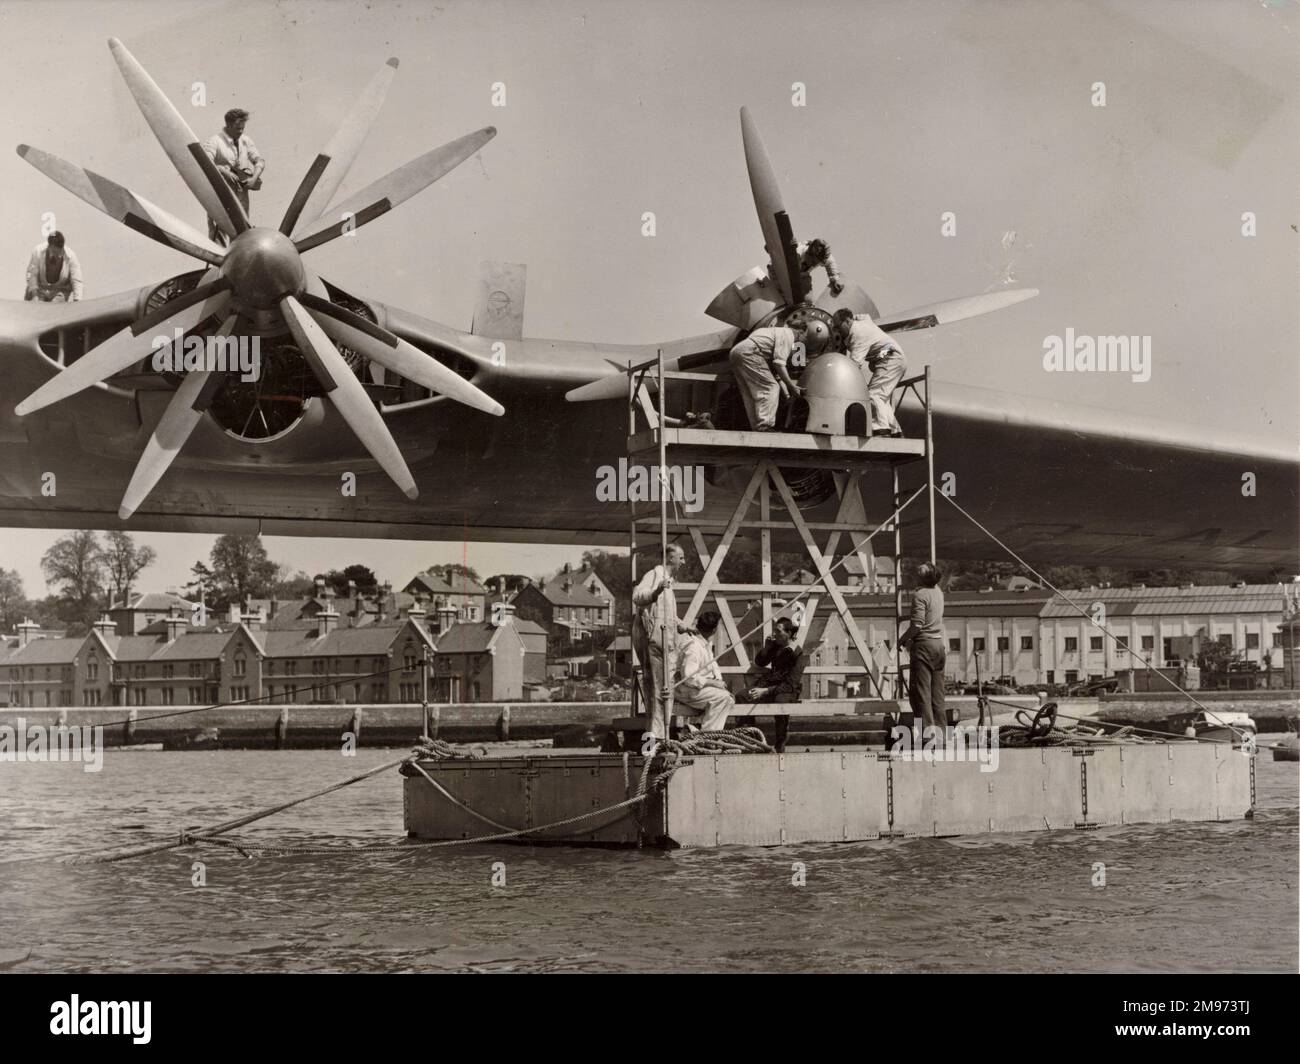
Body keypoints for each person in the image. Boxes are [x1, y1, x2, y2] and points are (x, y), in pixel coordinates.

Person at [631, 544, 693, 739]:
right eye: (680, 558)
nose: (683, 562)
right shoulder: (655, 575)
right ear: (669, 558)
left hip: (666, 642)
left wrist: (683, 626)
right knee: (657, 689)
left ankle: (662, 734)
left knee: (665, 689)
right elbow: (638, 596)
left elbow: (668, 615)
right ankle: (656, 737)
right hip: (655, 641)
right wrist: (656, 591)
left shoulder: (669, 583)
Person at [833, 308, 907, 436]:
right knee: (881, 398)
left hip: (891, 359)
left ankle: (881, 429)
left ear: (847, 321)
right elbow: (864, 316)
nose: (837, 330)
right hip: (892, 356)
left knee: (874, 394)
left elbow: (854, 365)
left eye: (838, 326)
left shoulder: (858, 333)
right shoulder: (861, 322)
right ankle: (895, 431)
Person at [741, 616, 806, 752]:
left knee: (780, 701)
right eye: (774, 631)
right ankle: (750, 741)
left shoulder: (798, 654)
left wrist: (765, 691)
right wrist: (766, 648)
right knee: (742, 696)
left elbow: (791, 684)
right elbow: (760, 662)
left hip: (787, 690)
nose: (774, 634)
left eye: (778, 631)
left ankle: (780, 743)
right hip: (770, 686)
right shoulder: (776, 646)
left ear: (788, 634)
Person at [899, 563, 947, 744]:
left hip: (924, 646)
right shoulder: (938, 593)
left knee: (922, 693)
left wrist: (902, 639)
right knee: (937, 694)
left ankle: (928, 736)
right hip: (938, 645)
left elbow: (917, 625)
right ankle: (942, 735)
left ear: (921, 579)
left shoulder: (920, 595)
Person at [727, 323, 805, 431]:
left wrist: (787, 395)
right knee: (770, 387)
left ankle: (757, 427)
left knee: (750, 393)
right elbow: (779, 364)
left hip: (737, 352)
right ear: (801, 332)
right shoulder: (788, 334)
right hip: (751, 352)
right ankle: (765, 426)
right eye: (805, 337)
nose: (803, 342)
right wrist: (792, 386)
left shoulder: (773, 331)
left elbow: (777, 375)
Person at [203, 108, 264, 245]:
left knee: (243, 236)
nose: (241, 131)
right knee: (219, 239)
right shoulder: (214, 142)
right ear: (229, 125)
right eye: (238, 128)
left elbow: (259, 160)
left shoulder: (245, 140)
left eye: (243, 128)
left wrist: (254, 178)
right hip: (220, 197)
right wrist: (224, 171)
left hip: (242, 197)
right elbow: (205, 163)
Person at [674, 611, 734, 732]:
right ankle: (707, 735)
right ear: (714, 630)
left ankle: (696, 728)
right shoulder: (694, 646)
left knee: (728, 699)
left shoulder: (703, 644)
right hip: (687, 690)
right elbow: (688, 677)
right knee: (724, 699)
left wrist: (718, 685)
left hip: (696, 689)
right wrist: (714, 683)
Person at [766, 237, 844, 298]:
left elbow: (831, 263)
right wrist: (777, 246)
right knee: (782, 299)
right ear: (808, 253)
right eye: (813, 262)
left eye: (817, 263)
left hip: (799, 275)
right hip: (777, 272)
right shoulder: (797, 251)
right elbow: (770, 248)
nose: (814, 264)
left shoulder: (824, 258)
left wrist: (834, 280)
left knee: (807, 299)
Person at [24, 231, 82, 302]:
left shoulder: (71, 256)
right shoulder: (37, 251)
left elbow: (76, 280)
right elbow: (32, 274)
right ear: (48, 246)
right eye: (54, 252)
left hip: (60, 291)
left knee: (55, 305)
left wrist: (77, 300)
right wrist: (35, 295)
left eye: (59, 252)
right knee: (35, 303)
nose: (57, 255)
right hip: (39, 289)